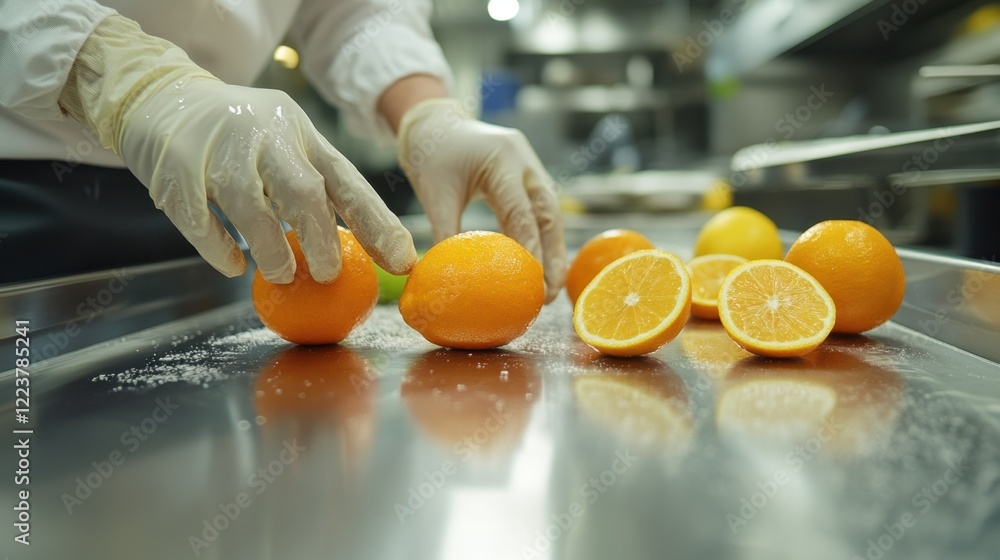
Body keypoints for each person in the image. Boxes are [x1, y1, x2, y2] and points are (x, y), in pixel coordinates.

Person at [0, 0, 566, 302]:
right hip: (26, 191)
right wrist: (118, 76)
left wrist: (426, 111)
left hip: (207, 193)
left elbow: (355, 10)